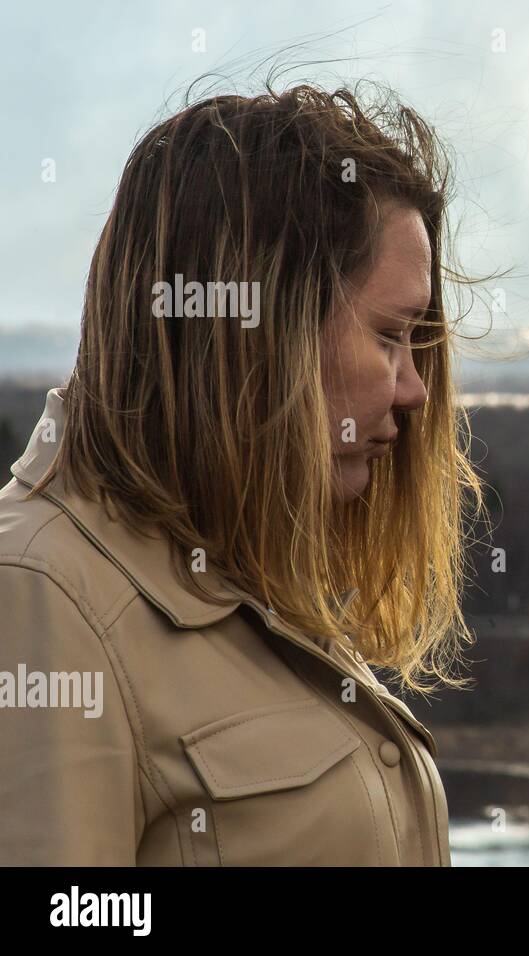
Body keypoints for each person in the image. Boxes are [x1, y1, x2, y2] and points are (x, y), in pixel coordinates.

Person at [0, 80, 486, 865]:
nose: (414, 389)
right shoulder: (37, 593)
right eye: (390, 336)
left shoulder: (253, 579)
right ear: (256, 334)